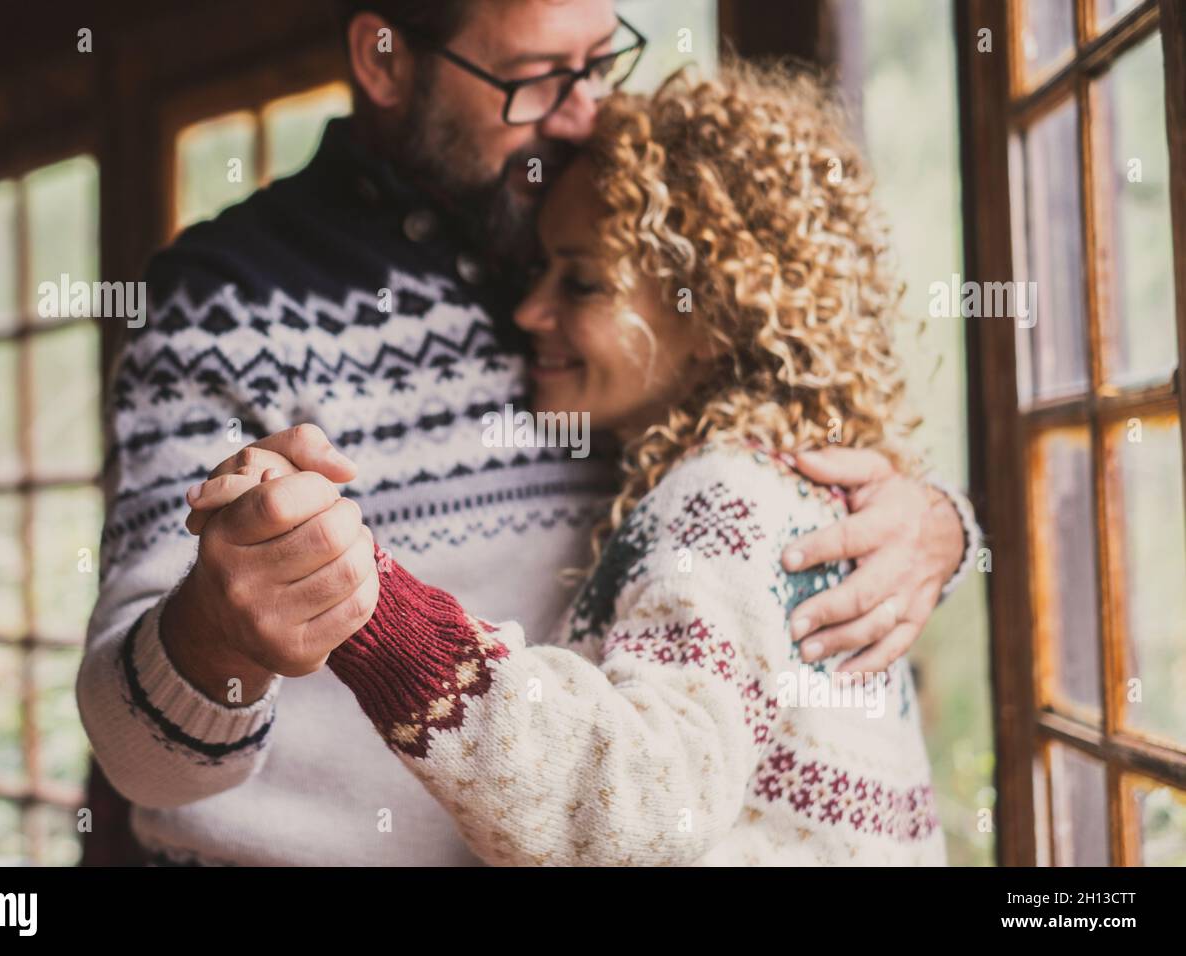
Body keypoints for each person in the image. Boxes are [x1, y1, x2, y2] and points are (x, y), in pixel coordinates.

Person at [78, 0, 978, 865]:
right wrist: (220, 631)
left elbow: (736, 551)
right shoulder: (220, 305)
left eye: (600, 58)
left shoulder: (617, 218)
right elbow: (137, 754)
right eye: (542, 76)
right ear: (384, 59)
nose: (588, 110)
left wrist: (935, 522)